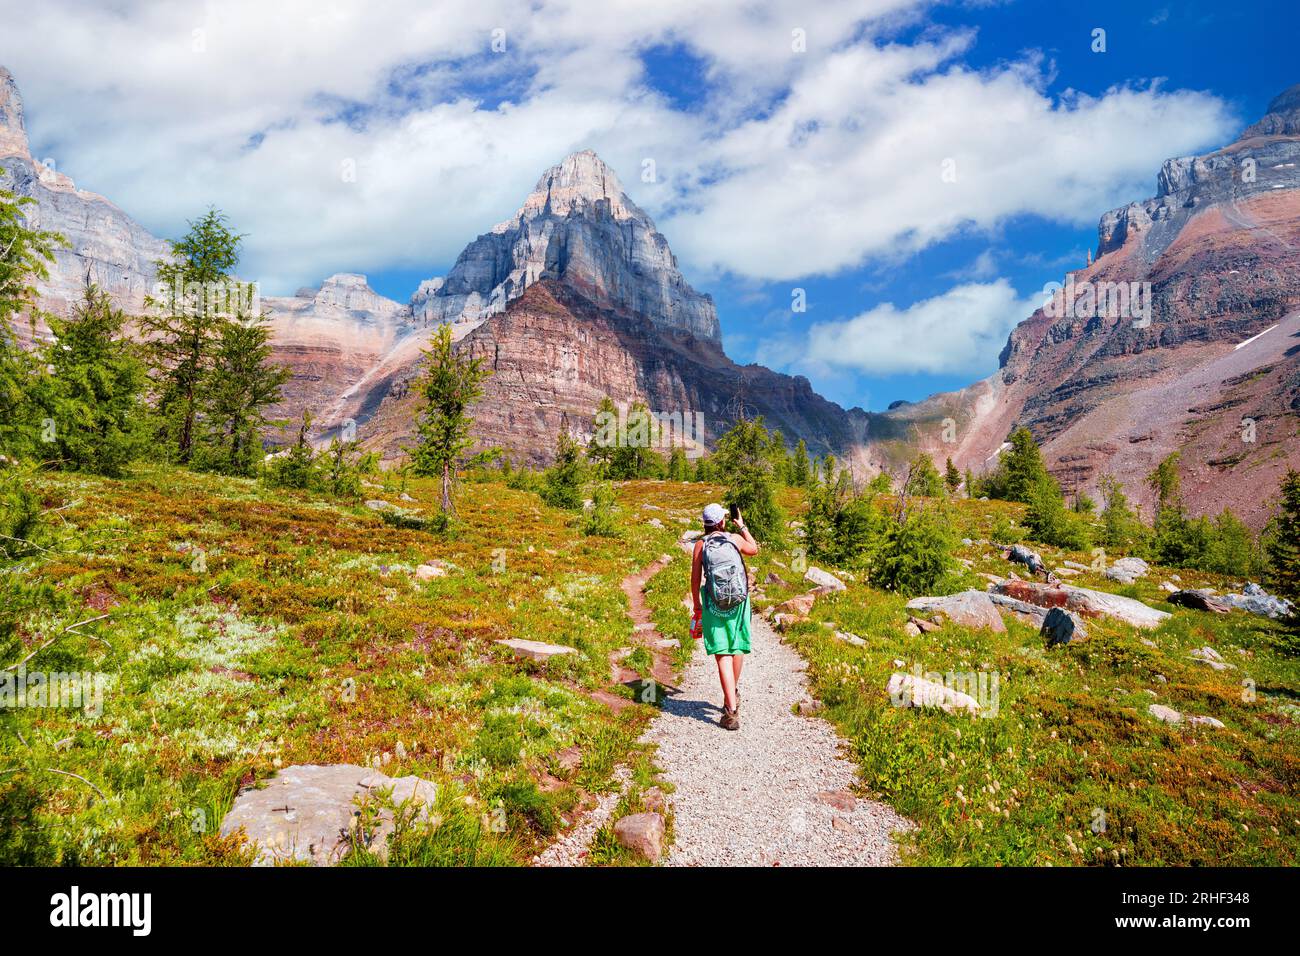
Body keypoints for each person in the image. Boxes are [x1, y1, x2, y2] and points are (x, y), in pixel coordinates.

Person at [691, 502, 759, 730]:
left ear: (706, 523)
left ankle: (731, 711)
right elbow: (754, 549)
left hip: (713, 602)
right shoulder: (733, 539)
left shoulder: (701, 544)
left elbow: (694, 578)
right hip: (739, 601)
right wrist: (742, 526)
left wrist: (697, 606)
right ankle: (732, 697)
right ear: (721, 521)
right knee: (736, 646)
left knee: (722, 652)